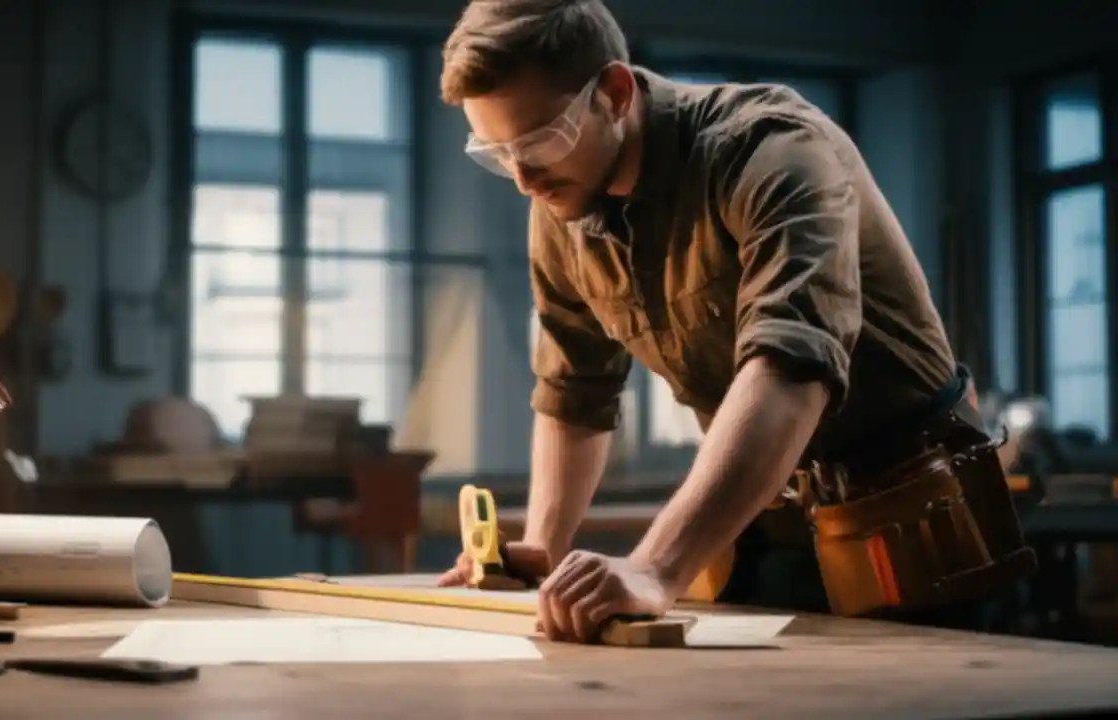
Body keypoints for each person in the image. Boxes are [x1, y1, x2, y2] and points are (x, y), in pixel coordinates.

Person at [435, 0, 1034, 643]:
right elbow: (574, 393)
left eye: (539, 140)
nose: (522, 178)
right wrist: (542, 548)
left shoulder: (772, 149)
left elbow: (790, 368)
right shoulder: (562, 195)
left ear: (612, 92)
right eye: (495, 152)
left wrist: (656, 565)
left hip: (907, 524)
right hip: (757, 528)